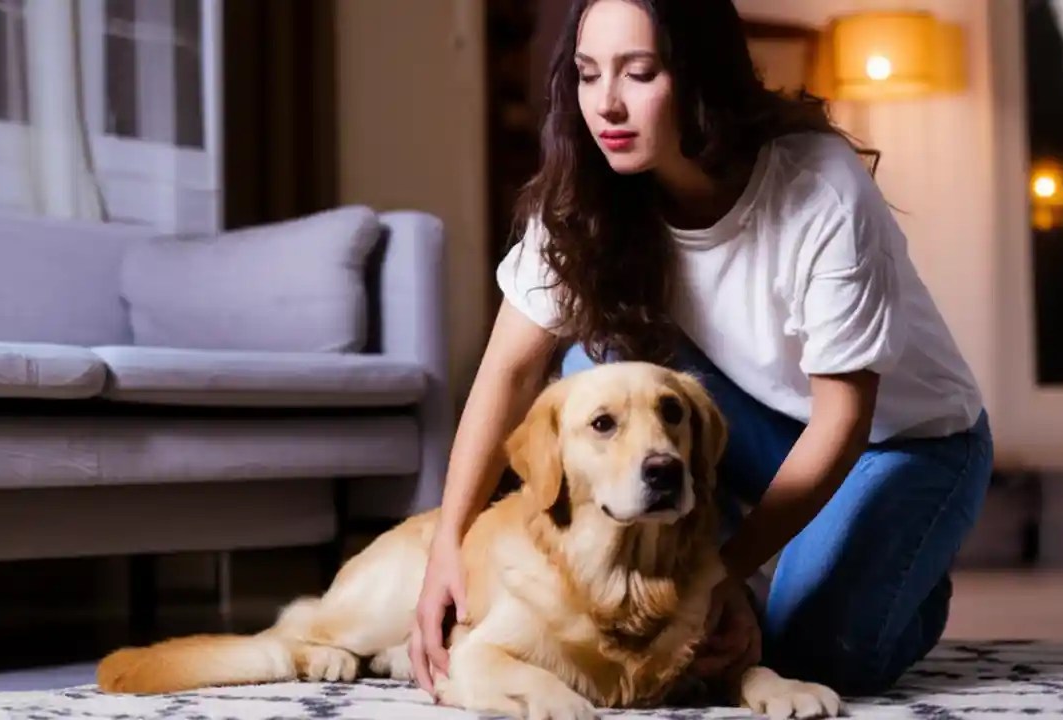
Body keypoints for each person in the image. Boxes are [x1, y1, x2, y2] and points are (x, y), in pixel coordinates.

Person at [408, 0, 993, 700]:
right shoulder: (584, 190)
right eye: (589, 77)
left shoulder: (819, 187)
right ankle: (803, 562)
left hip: (906, 443)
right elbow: (509, 370)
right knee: (593, 367)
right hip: (756, 419)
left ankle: (907, 575)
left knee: (808, 652)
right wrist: (449, 543)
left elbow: (842, 421)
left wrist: (724, 575)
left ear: (698, 77)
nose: (608, 106)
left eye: (640, 73)